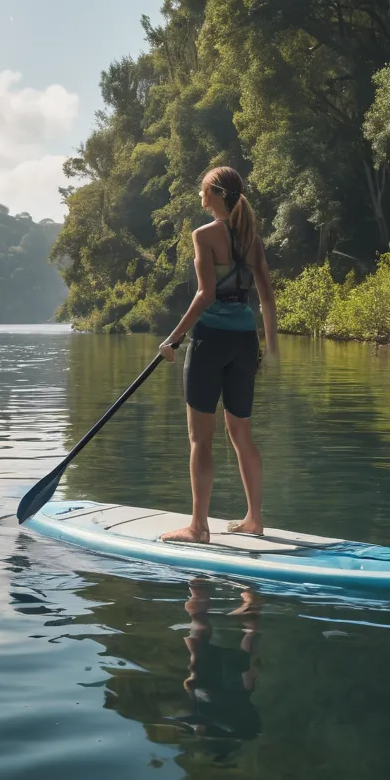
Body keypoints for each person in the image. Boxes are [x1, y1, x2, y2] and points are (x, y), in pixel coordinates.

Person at [157, 166, 278, 543]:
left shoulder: (204, 235)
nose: (199, 196)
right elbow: (267, 299)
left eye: (202, 190)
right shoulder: (251, 239)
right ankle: (254, 519)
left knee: (200, 439)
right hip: (245, 343)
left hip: (210, 341)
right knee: (242, 435)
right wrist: (270, 348)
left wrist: (173, 339)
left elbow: (206, 295)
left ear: (215, 194)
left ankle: (199, 527)